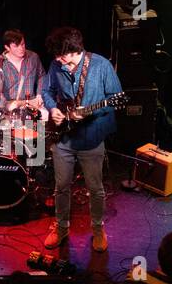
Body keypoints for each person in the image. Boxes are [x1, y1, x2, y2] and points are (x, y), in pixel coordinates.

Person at [40, 27, 123, 253]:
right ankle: (61, 228)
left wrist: (90, 112)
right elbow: (47, 91)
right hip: (63, 138)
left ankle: (98, 229)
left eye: (62, 56)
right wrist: (53, 108)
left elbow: (116, 99)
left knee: (95, 188)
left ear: (75, 50)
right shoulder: (56, 66)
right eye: (56, 57)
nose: (58, 60)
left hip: (91, 137)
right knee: (61, 187)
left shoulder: (101, 65)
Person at [0, 29, 44, 115]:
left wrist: (39, 94)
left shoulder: (33, 57)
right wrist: (7, 106)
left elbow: (42, 76)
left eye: (23, 44)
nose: (21, 48)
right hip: (11, 109)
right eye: (16, 46)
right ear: (7, 47)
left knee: (42, 123)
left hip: (31, 105)